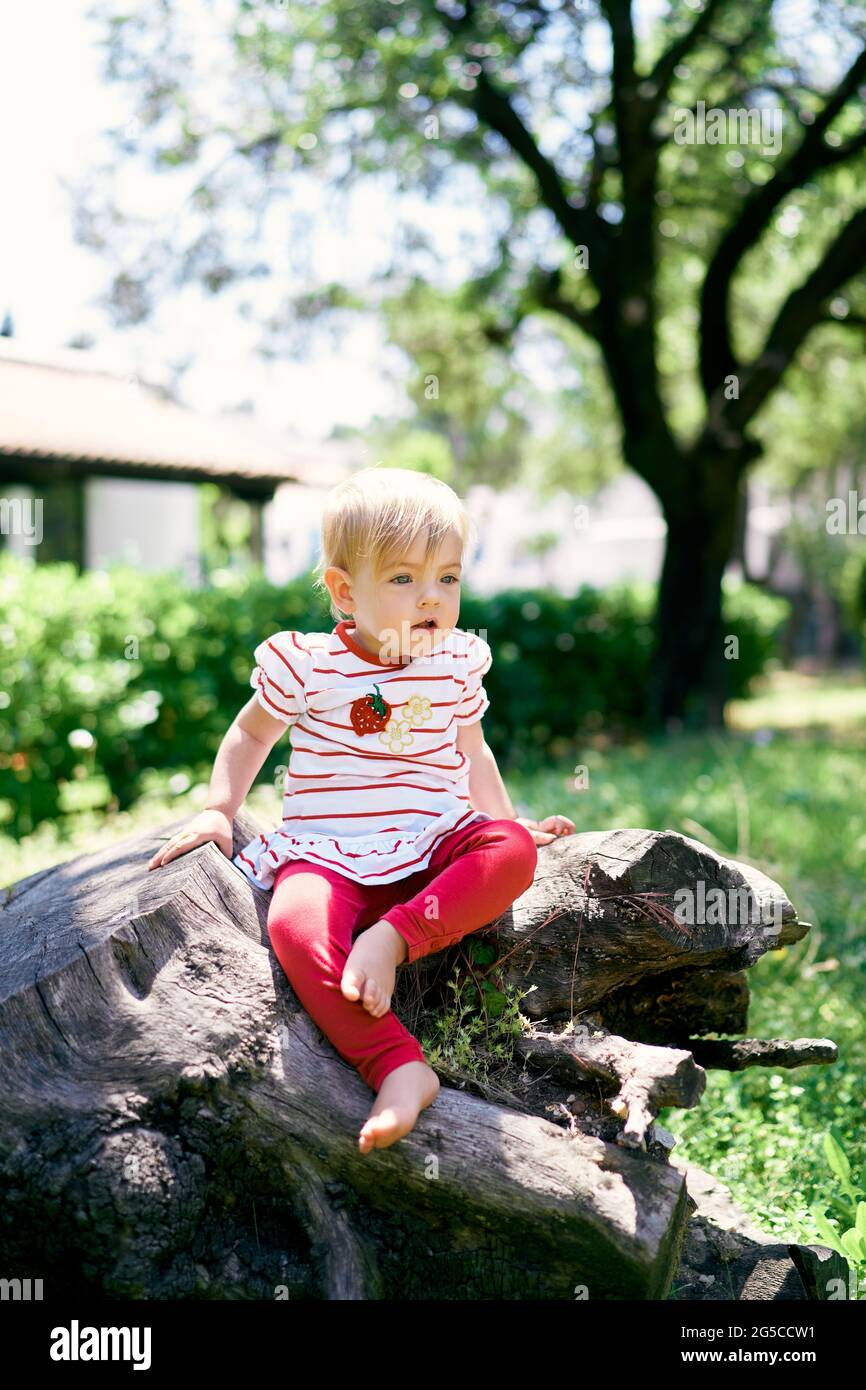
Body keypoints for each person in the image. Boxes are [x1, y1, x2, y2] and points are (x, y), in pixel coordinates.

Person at [148, 467, 575, 1153]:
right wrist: (218, 811)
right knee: (293, 924)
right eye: (404, 580)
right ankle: (396, 1064)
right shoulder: (309, 664)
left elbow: (474, 750)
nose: (431, 597)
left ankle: (393, 938)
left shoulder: (459, 661)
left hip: (436, 844)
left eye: (448, 578)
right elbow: (252, 732)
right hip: (332, 851)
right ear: (346, 592)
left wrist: (510, 820)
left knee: (511, 852)